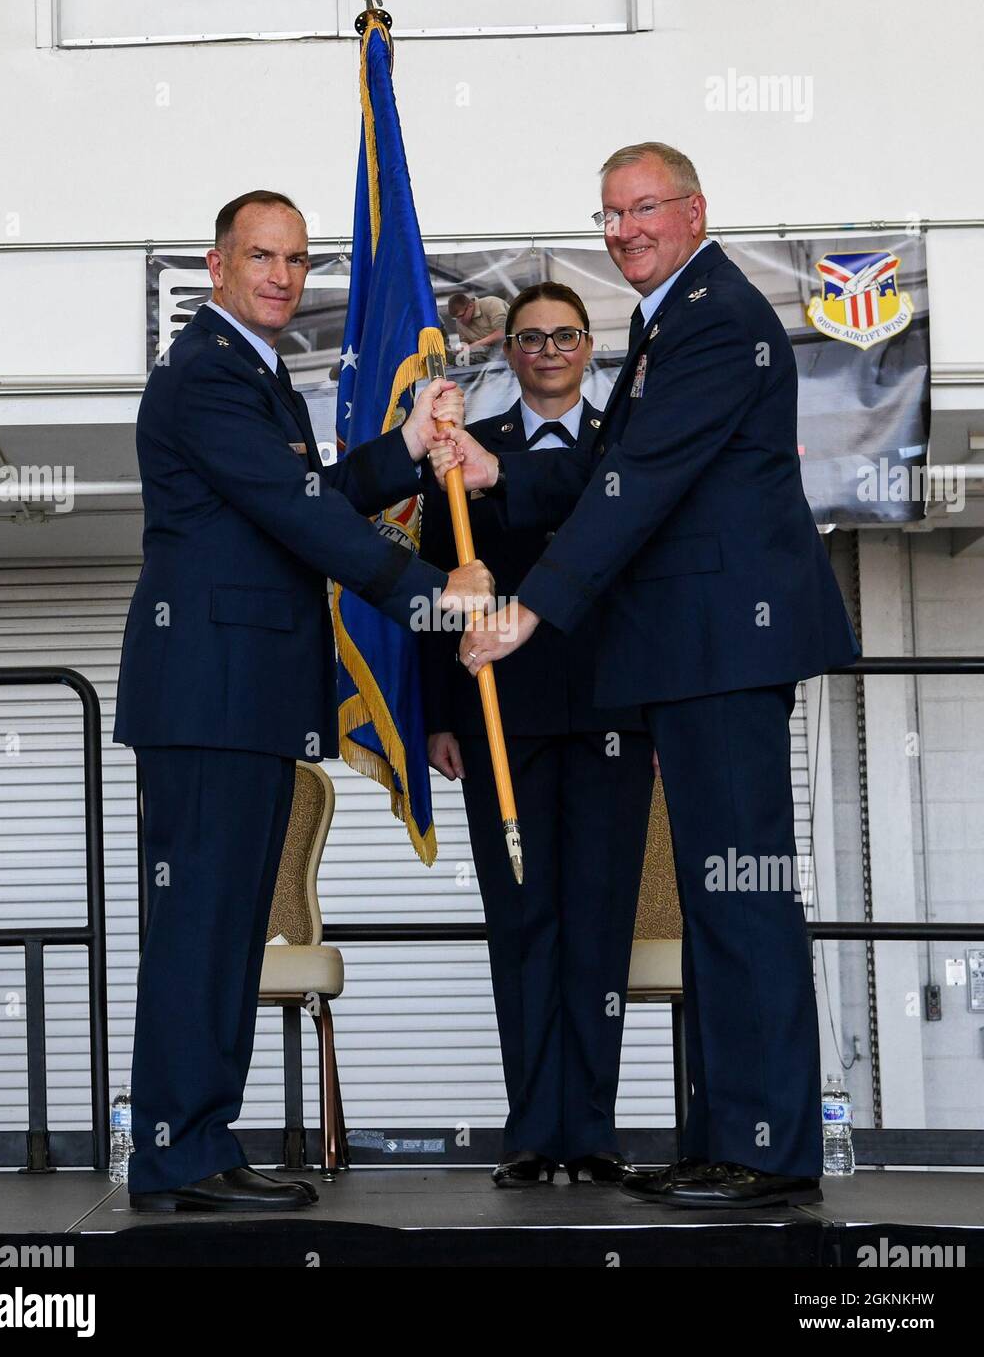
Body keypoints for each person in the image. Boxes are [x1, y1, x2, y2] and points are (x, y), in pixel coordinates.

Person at [430, 143, 861, 1209]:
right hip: (695, 653)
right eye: (610, 214)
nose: (623, 229)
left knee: (740, 896)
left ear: (693, 209)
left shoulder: (711, 315)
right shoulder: (668, 321)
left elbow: (637, 484)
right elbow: (608, 464)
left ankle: (764, 1149)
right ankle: (731, 1137)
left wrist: (529, 609)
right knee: (721, 898)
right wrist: (501, 469)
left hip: (723, 646)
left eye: (643, 209)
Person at [113, 190, 492, 1213]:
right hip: (205, 700)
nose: (281, 275)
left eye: (295, 259)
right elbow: (300, 517)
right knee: (199, 931)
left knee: (227, 931)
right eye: (261, 256)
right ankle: (175, 1156)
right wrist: (433, 600)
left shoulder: (254, 371)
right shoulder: (204, 375)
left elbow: (309, 491)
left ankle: (198, 1144)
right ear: (217, 264)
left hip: (242, 701)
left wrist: (406, 446)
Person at [420, 282, 652, 1188]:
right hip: (498, 717)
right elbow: (449, 582)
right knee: (522, 924)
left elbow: (645, 585)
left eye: (565, 335)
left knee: (598, 927)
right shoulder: (467, 455)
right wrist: (440, 712)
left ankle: (590, 1129)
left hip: (611, 714)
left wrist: (658, 707)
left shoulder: (626, 445)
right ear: (508, 352)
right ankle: (530, 1128)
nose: (549, 349)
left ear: (589, 347)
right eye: (530, 337)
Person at [446, 290, 508, 361]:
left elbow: (502, 333)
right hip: (489, 355)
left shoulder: (491, 303)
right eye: (456, 318)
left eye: (461, 316)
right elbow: (466, 344)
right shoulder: (459, 321)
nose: (459, 320)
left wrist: (473, 346)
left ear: (470, 306)